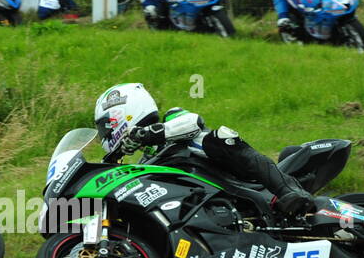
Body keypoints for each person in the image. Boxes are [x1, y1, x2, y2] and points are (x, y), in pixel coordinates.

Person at [93, 83, 317, 219]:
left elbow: (193, 123)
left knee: (217, 138)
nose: (105, 134)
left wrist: (143, 134)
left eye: (105, 127)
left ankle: (288, 189)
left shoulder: (173, 118)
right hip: (207, 203)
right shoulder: (146, 162)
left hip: (238, 179)